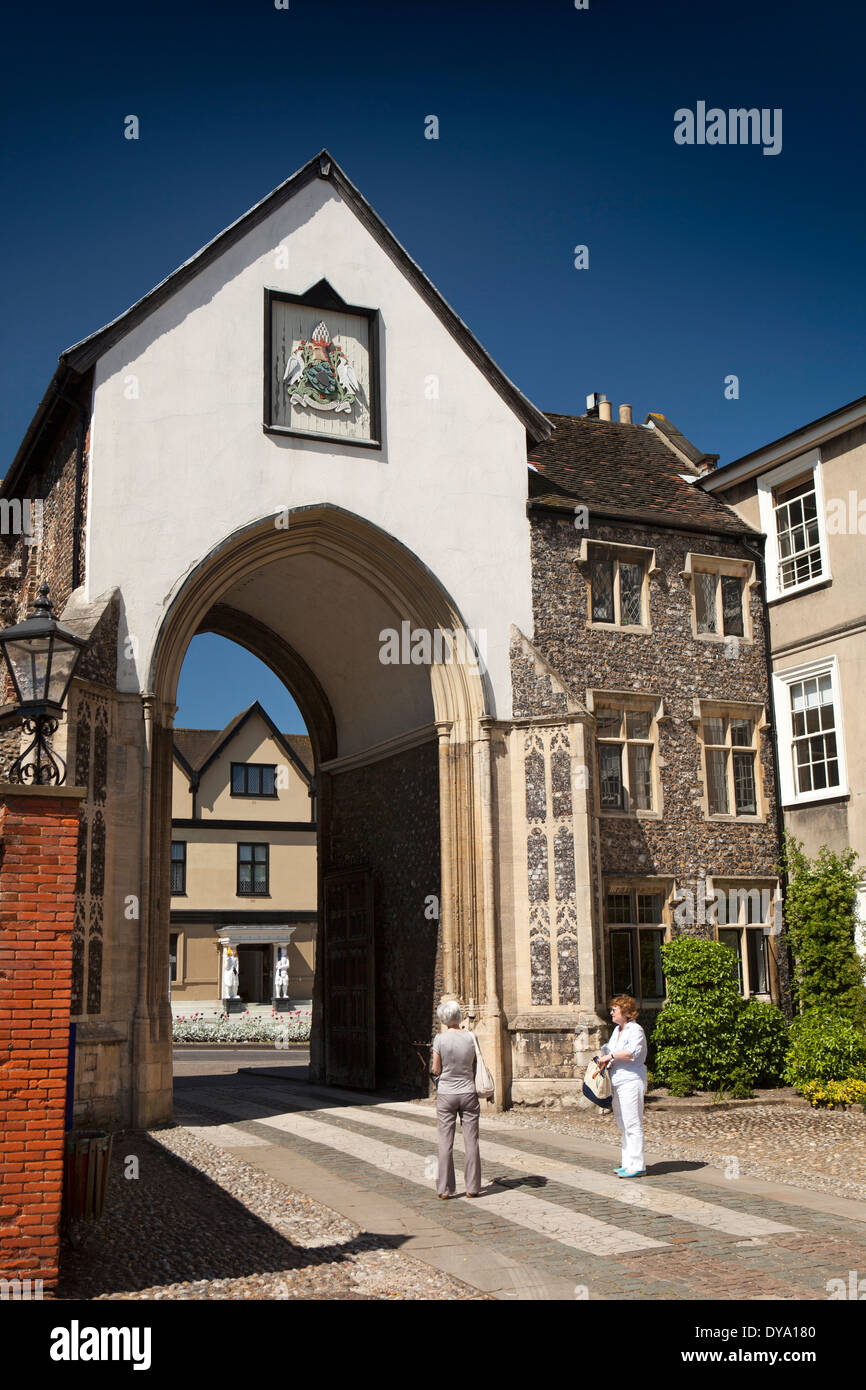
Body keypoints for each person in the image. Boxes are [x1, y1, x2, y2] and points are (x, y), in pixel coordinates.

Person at [430, 1000, 482, 1199]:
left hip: (446, 1094)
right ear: (459, 1016)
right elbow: (475, 1063)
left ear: (443, 1019)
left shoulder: (440, 1039)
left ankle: (444, 1189)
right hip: (468, 1092)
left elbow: (436, 1068)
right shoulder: (471, 1037)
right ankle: (473, 1188)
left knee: (445, 1142)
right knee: (471, 1141)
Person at [595, 994, 648, 1179]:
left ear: (625, 1012)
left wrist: (610, 1057)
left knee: (633, 1122)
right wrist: (605, 1058)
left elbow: (632, 1052)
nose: (611, 1012)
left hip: (631, 1080)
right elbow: (609, 1050)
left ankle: (638, 1164)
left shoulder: (636, 1030)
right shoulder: (617, 1030)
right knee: (622, 1122)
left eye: (614, 1010)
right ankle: (628, 1162)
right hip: (616, 1080)